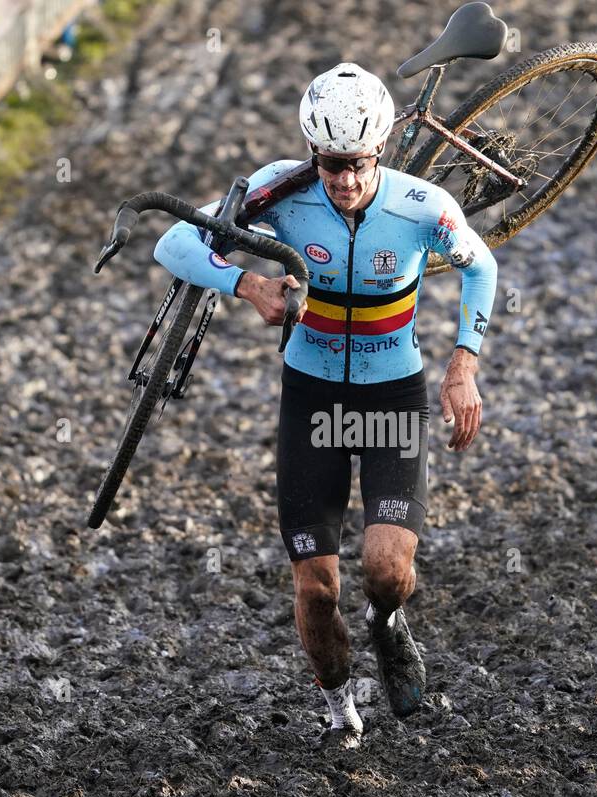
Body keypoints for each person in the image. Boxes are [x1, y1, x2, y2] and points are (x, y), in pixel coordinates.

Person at [154, 63, 496, 748]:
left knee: (385, 572)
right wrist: (245, 282)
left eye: (357, 164)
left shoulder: (421, 205)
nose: (341, 180)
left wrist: (464, 363)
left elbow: (480, 265)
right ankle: (341, 714)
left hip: (393, 395)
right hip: (310, 398)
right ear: (313, 152)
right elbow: (174, 241)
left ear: (380, 152)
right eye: (329, 163)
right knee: (315, 589)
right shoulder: (281, 188)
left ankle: (390, 623)